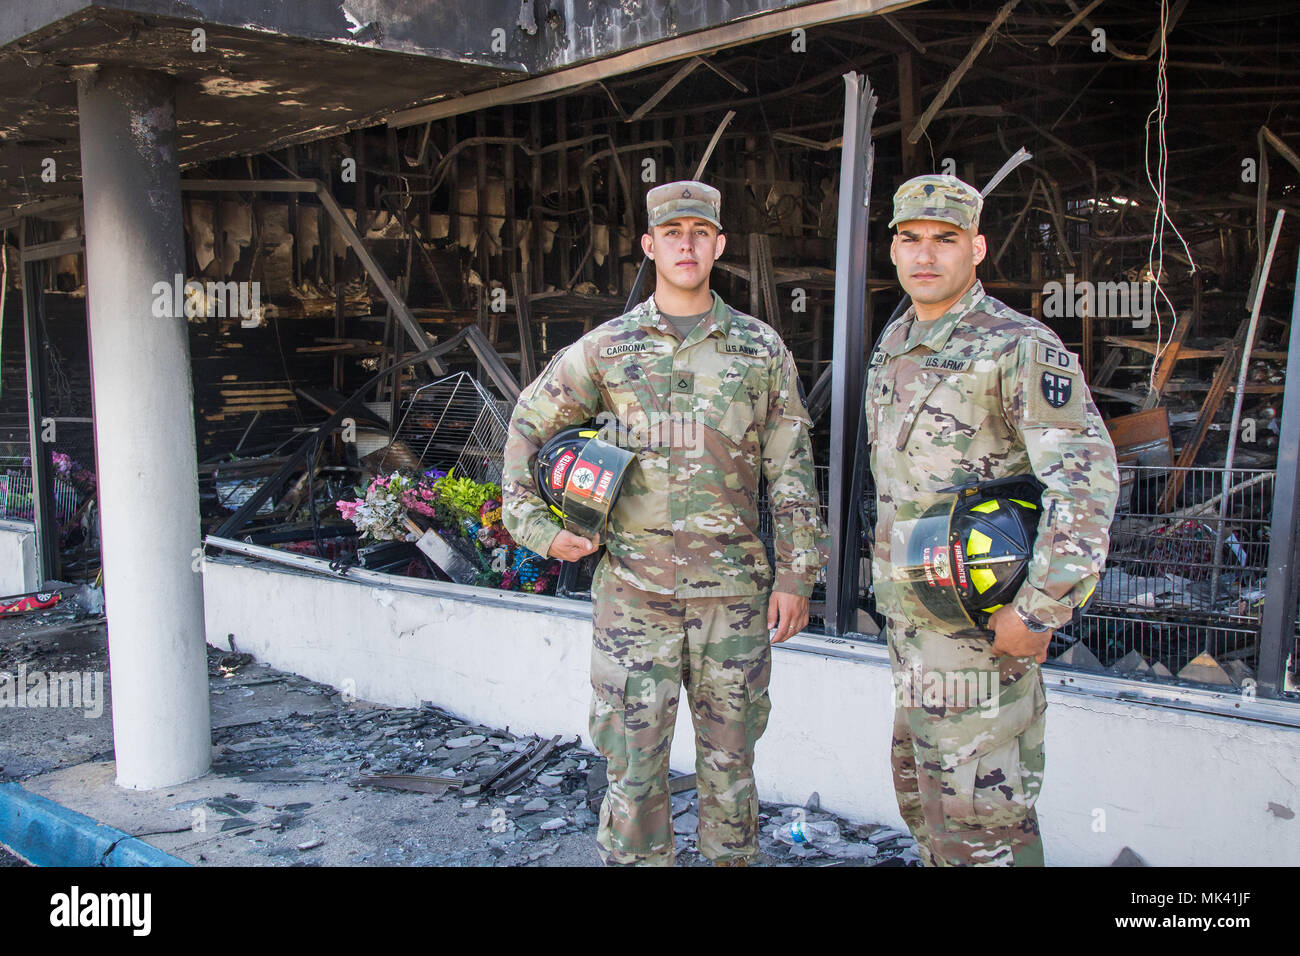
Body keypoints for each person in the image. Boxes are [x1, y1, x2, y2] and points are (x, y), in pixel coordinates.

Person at [502, 180, 828, 866]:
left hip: (732, 603)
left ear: (720, 245)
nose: (686, 243)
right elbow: (530, 425)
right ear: (650, 246)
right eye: (672, 232)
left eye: (699, 232)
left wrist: (798, 574)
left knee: (731, 774)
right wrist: (537, 527)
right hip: (633, 602)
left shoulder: (760, 350)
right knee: (633, 772)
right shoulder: (607, 348)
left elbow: (791, 466)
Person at [866, 173, 1119, 866]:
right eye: (910, 239)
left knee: (985, 824)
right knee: (927, 808)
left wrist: (1040, 613)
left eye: (944, 240)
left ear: (975, 247)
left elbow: (1087, 483)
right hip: (914, 625)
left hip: (983, 632)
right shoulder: (894, 345)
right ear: (892, 250)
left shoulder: (1018, 345)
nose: (925, 255)